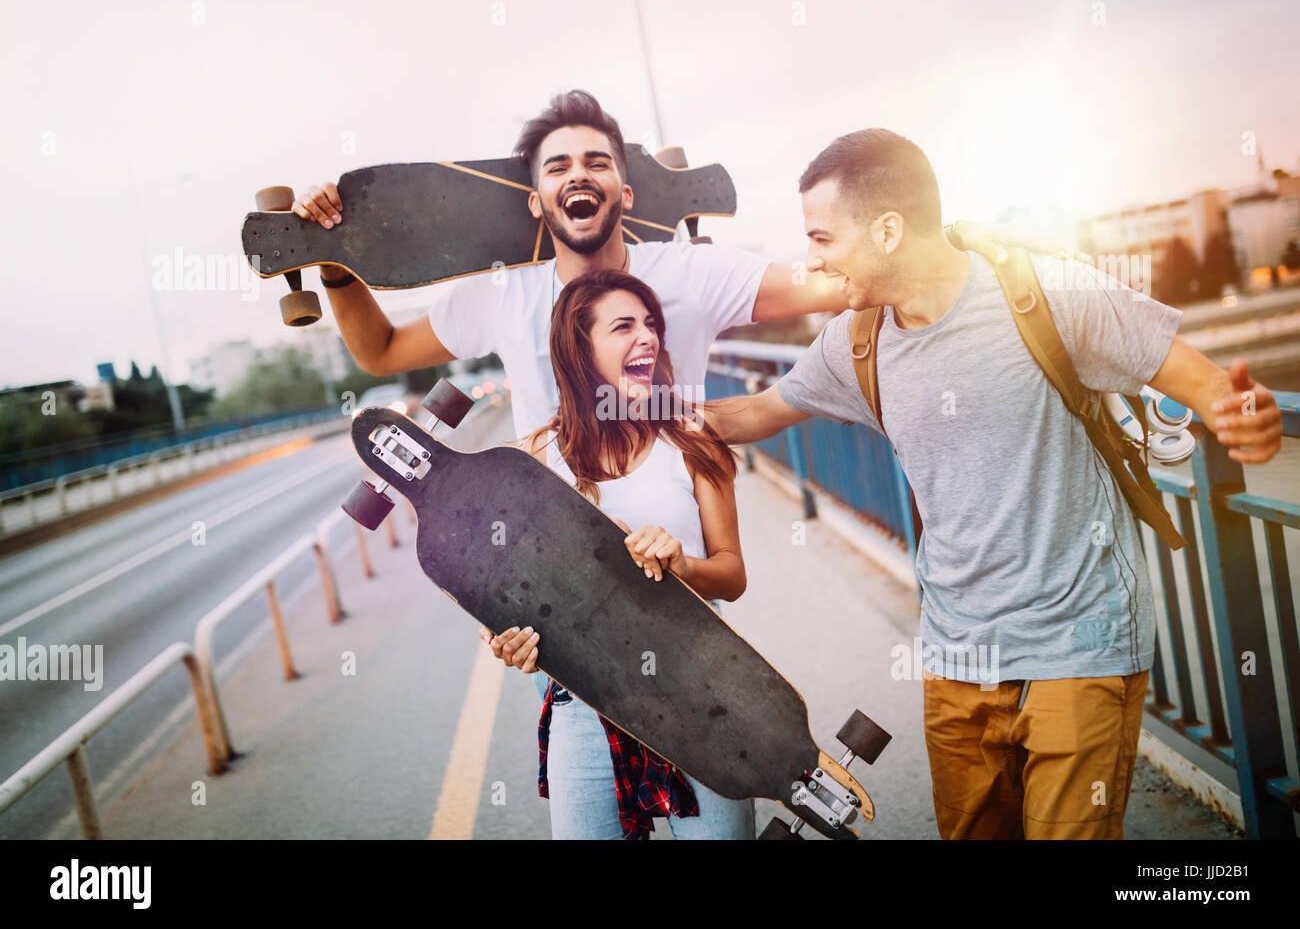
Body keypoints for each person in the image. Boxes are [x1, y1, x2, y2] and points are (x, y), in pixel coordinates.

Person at [695, 129, 1284, 839]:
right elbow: (757, 411)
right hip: (956, 660)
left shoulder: (1050, 298)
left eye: (822, 239)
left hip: (1080, 643)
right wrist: (630, 418)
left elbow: (1211, 389)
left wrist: (1245, 419)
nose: (811, 261)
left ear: (887, 230)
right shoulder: (857, 343)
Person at [290, 89, 1073, 444]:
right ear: (536, 202)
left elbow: (839, 285)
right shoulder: (503, 296)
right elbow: (381, 353)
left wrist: (949, 245)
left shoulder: (690, 274)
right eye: (556, 168)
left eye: (596, 161)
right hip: (559, 586)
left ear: (625, 190)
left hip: (685, 572)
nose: (577, 176)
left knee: (715, 778)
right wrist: (335, 262)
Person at [481, 269, 753, 839]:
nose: (648, 338)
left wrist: (684, 568)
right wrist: (504, 631)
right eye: (624, 326)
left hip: (703, 691)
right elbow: (492, 572)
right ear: (580, 351)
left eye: (651, 324)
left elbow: (732, 575)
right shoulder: (535, 459)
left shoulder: (691, 438)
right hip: (584, 701)